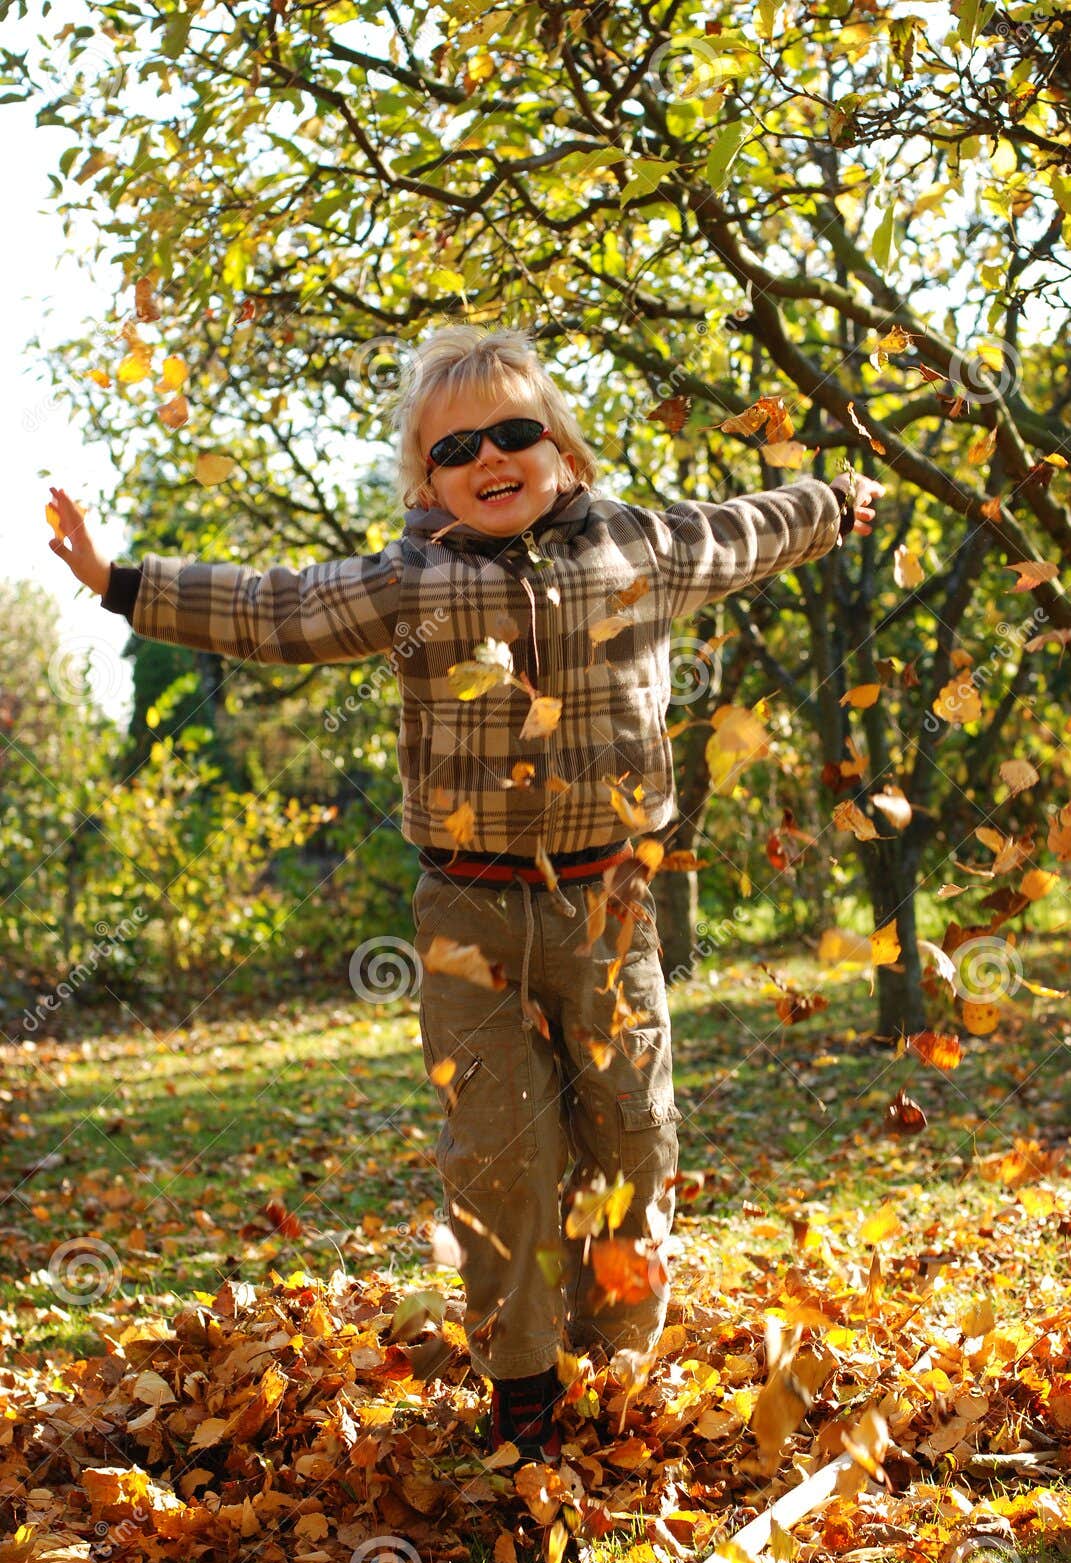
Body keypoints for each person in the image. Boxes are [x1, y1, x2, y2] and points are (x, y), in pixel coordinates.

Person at [48, 324, 884, 1461]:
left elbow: (750, 527)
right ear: (426, 482)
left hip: (608, 909)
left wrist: (836, 501)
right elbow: (275, 608)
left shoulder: (641, 546)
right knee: (499, 1152)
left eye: (513, 433)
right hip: (469, 915)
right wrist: (121, 583)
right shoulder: (410, 580)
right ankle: (523, 1377)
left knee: (634, 1137)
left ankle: (617, 1341)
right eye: (456, 450)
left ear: (565, 452)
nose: (490, 458)